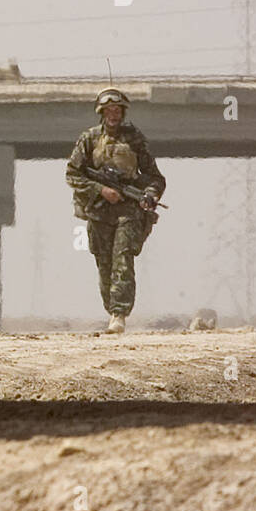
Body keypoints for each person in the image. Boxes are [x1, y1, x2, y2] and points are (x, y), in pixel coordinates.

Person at [65, 87, 165, 334]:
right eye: (109, 110)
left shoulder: (134, 139)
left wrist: (149, 196)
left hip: (128, 211)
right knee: (104, 262)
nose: (113, 114)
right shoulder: (89, 139)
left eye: (117, 110)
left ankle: (119, 314)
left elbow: (154, 177)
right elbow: (73, 174)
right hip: (99, 211)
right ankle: (111, 309)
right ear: (101, 112)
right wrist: (100, 190)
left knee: (123, 257)